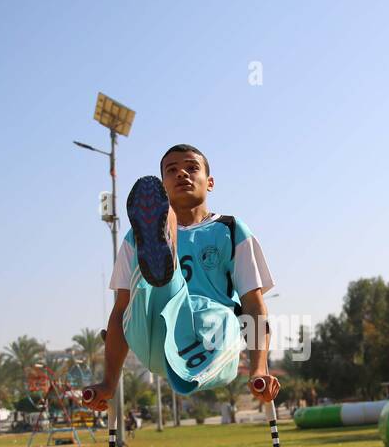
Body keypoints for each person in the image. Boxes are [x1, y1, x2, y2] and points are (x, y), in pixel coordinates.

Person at [85, 144, 280, 412]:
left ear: (209, 182)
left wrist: (259, 369)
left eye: (191, 168)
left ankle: (166, 248)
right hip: (157, 337)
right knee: (144, 291)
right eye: (172, 170)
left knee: (219, 316)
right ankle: (163, 243)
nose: (182, 174)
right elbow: (121, 311)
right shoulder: (133, 238)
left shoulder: (231, 230)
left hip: (212, 339)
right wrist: (107, 383)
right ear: (163, 186)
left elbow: (253, 304)